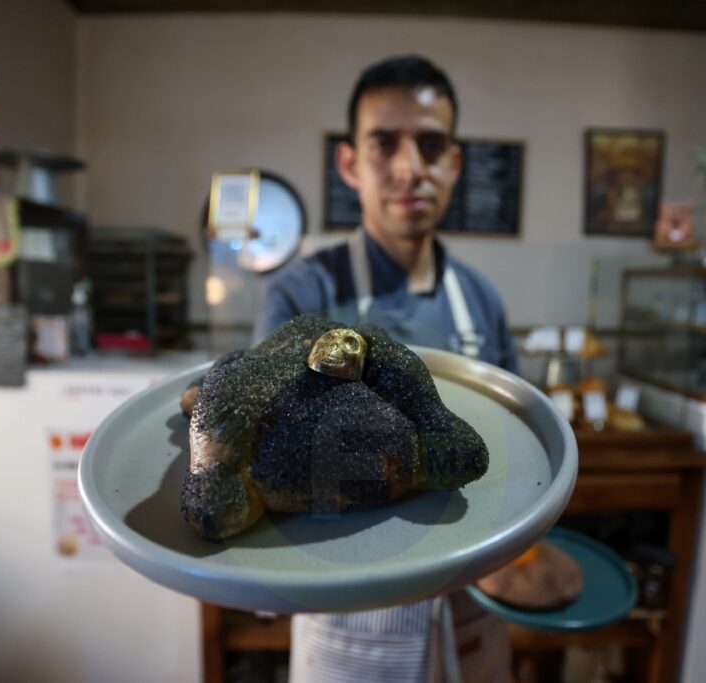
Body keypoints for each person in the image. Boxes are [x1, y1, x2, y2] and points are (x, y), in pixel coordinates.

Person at [254, 55, 516, 683]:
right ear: (349, 164)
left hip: (471, 600)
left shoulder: (482, 301)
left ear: (454, 163)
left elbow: (511, 449)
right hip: (343, 603)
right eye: (384, 145)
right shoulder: (302, 296)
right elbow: (265, 454)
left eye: (431, 145)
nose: (410, 168)